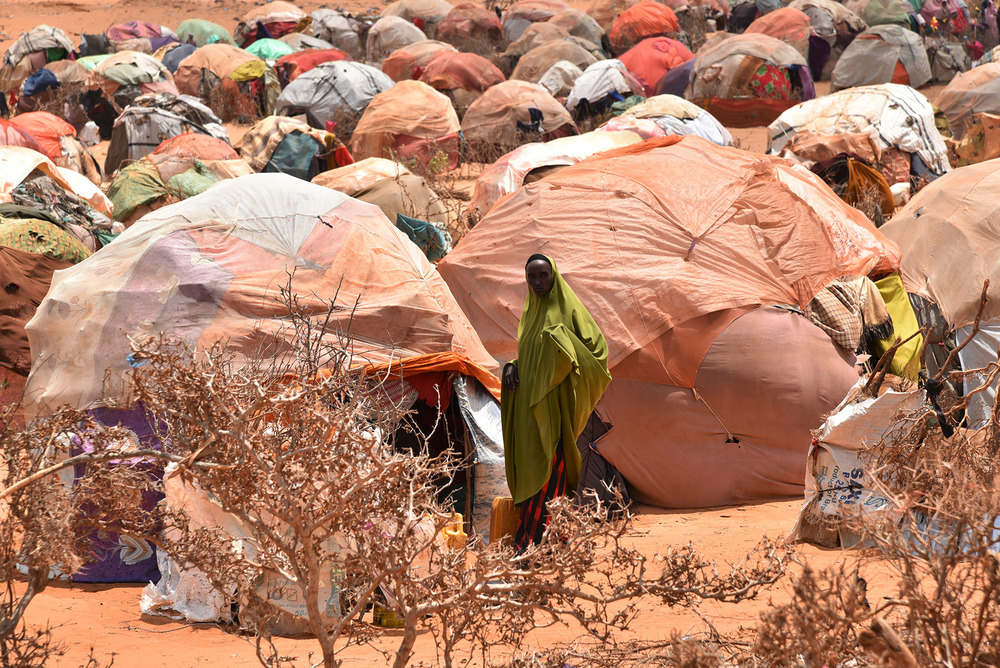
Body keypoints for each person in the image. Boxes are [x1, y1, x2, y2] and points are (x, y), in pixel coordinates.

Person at [501, 254, 612, 552]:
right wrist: (512, 366)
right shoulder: (529, 314)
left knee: (550, 474)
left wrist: (564, 343)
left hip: (556, 411)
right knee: (532, 470)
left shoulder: (569, 310)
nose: (538, 282)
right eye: (532, 277)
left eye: (543, 276)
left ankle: (540, 543)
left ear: (554, 277)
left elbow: (598, 354)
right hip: (529, 412)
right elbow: (531, 360)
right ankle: (538, 542)